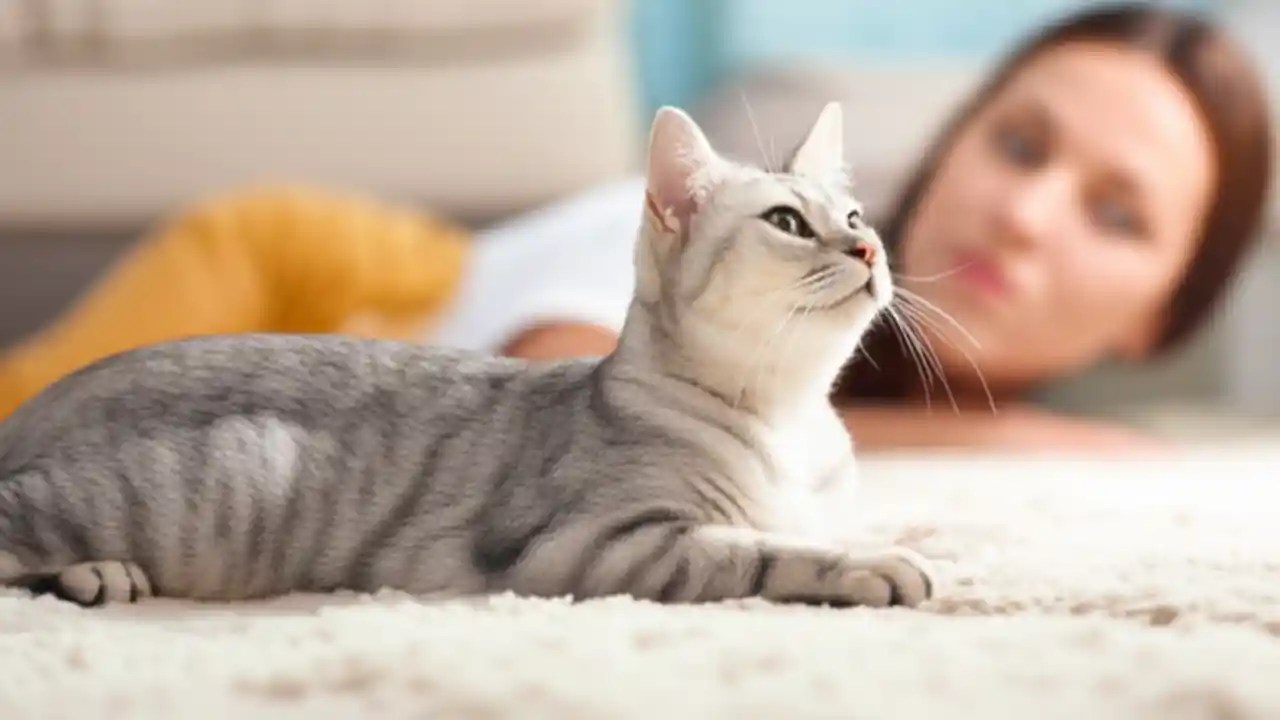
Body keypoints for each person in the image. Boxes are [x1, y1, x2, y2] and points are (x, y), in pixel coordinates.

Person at [0, 4, 1270, 453]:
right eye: (1018, 141)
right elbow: (562, 395)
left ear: (1164, 311)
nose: (1027, 213)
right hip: (310, 280)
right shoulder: (743, 234)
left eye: (1116, 214)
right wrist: (986, 451)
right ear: (950, 143)